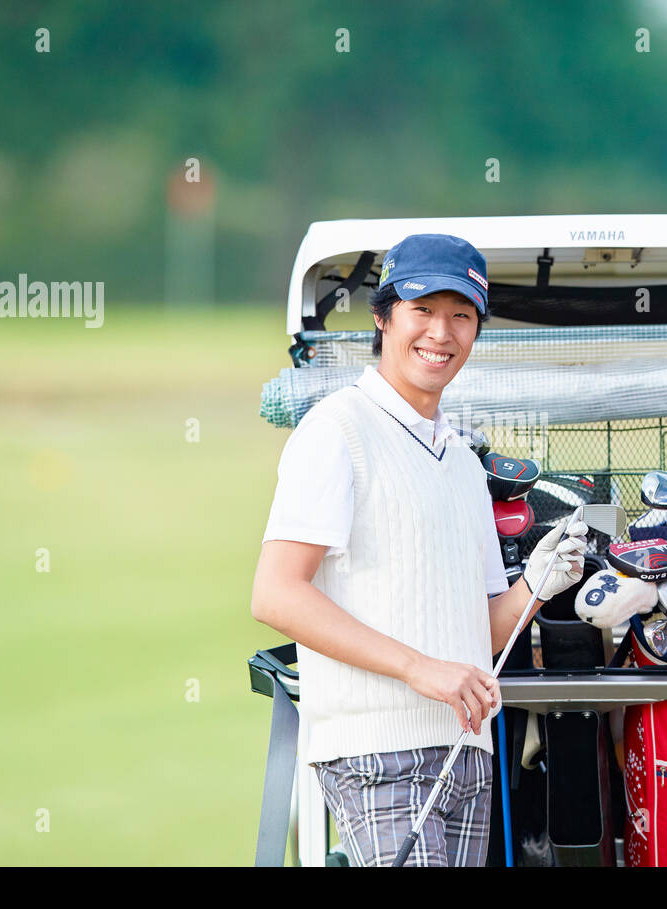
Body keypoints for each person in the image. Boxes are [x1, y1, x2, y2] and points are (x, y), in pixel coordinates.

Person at [250, 233, 588, 866]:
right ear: (383, 319)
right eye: (422, 311)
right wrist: (419, 669)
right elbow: (275, 594)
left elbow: (479, 630)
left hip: (465, 756)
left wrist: (537, 584)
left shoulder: (461, 461)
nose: (442, 332)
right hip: (376, 754)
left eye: (461, 315)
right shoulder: (336, 430)